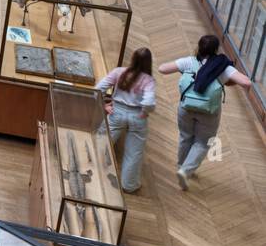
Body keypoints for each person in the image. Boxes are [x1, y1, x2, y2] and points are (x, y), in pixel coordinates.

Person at [158, 35, 252, 190]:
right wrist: (229, 76)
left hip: (186, 107)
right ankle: (185, 170)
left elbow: (162, 69)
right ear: (216, 50)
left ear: (199, 47)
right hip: (209, 112)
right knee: (202, 143)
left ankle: (182, 165)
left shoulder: (189, 61)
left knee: (185, 137)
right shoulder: (223, 67)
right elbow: (246, 82)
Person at [95, 48, 156, 193]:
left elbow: (98, 89)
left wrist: (103, 105)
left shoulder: (119, 72)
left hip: (117, 112)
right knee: (133, 152)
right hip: (137, 117)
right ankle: (129, 185)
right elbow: (149, 103)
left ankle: (92, 169)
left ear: (133, 58)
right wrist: (144, 112)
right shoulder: (149, 80)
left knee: (102, 141)